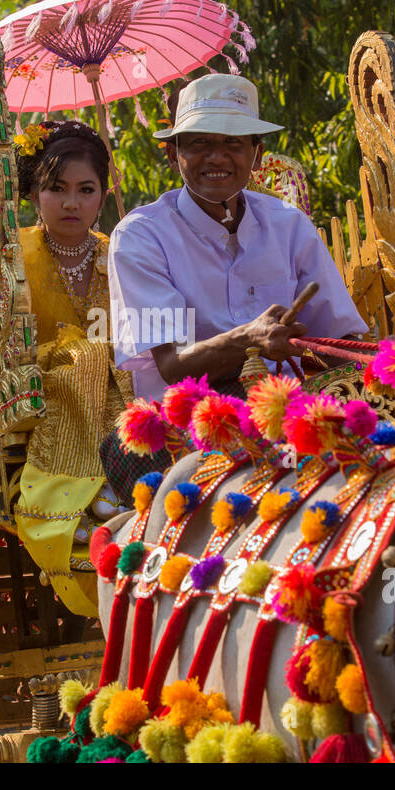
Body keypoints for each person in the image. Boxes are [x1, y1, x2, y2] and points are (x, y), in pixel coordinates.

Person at [104, 74, 369, 497]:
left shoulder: (289, 225)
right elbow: (171, 366)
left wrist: (370, 395)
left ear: (257, 154)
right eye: (199, 143)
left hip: (287, 406)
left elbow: (341, 340)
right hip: (187, 419)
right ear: (173, 155)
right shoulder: (140, 236)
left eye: (233, 142)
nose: (217, 157)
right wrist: (250, 339)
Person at [0, 120, 131, 617]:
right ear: (33, 192)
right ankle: (78, 517)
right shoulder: (9, 254)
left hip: (119, 395)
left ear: (102, 194)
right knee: (83, 361)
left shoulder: (122, 256)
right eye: (56, 189)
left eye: (85, 190)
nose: (71, 203)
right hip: (37, 396)